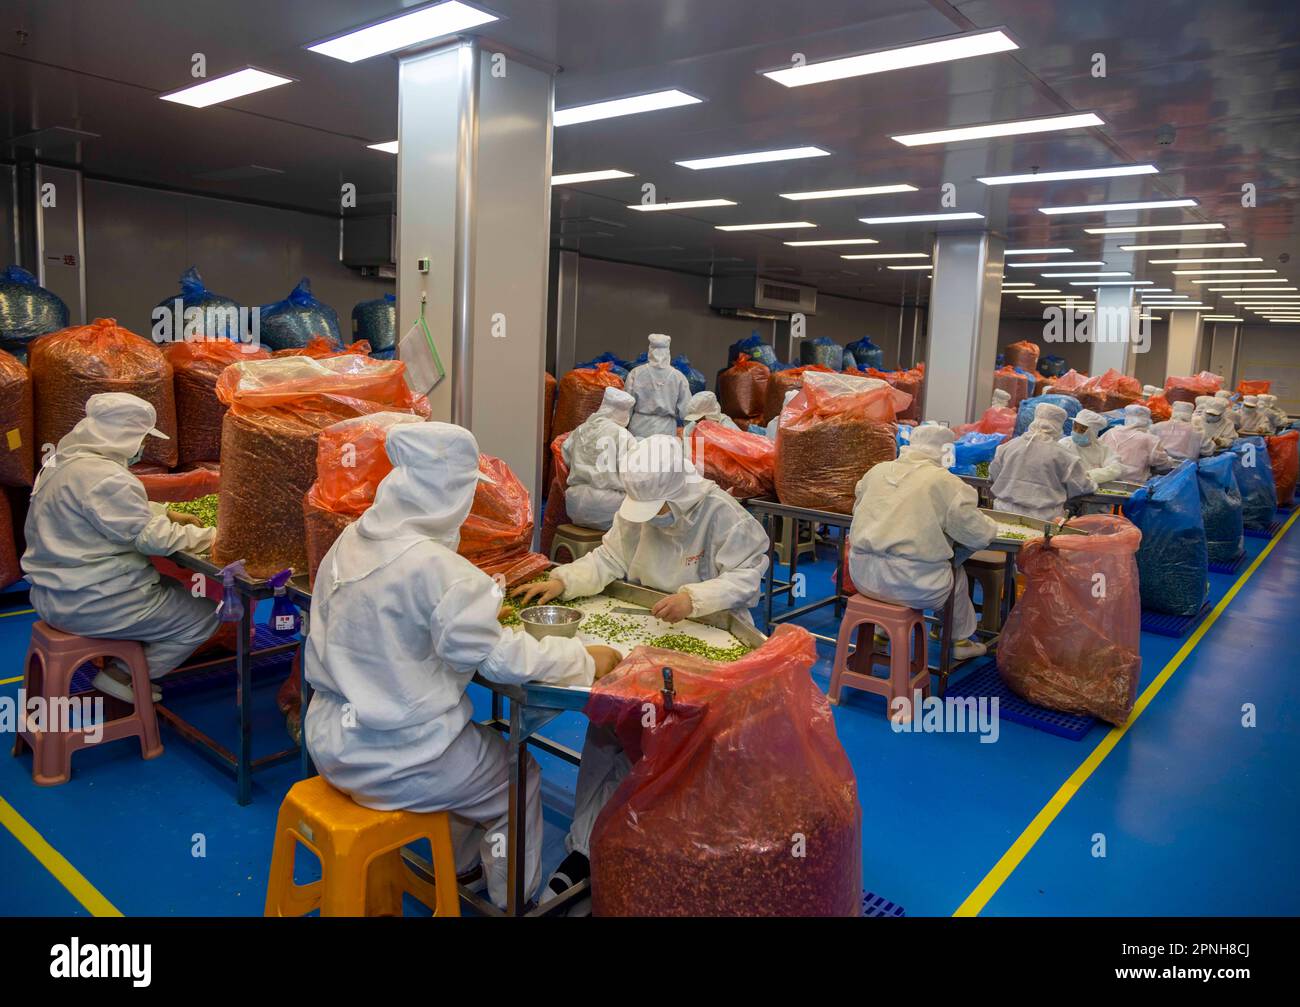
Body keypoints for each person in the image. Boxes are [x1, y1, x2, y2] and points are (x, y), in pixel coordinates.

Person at [303, 422, 622, 910]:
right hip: (396, 758)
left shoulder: (351, 540)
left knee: (471, 751)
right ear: (451, 494)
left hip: (330, 739)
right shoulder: (440, 572)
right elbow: (501, 658)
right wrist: (581, 659)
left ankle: (463, 865)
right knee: (519, 774)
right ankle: (512, 900)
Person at [513, 434, 769, 907]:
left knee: (681, 749)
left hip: (708, 637)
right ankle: (586, 850)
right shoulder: (637, 513)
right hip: (644, 631)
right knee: (609, 728)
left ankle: (672, 851)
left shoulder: (721, 516)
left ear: (679, 493)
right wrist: (562, 579)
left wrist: (696, 597)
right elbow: (609, 558)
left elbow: (747, 575)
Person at [22, 393, 218, 704]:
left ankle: (127, 668)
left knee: (167, 588)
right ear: (126, 436)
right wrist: (214, 537)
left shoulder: (62, 465)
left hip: (52, 594)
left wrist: (164, 511)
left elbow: (107, 512)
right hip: (95, 602)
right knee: (205, 615)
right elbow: (153, 539)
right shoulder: (106, 477)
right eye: (141, 439)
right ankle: (123, 675)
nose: (142, 448)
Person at [848, 424, 996, 662]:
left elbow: (859, 512)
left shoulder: (876, 472)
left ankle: (882, 634)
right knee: (956, 575)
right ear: (946, 450)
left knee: (914, 566)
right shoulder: (947, 483)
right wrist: (991, 526)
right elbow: (978, 535)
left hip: (863, 577)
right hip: (915, 586)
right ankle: (960, 640)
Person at [988, 402, 1095, 521]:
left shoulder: (1007, 447)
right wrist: (1093, 482)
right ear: (1059, 426)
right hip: (1043, 519)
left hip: (1004, 513)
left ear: (1034, 420)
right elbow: (1082, 486)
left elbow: (994, 474)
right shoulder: (1064, 455)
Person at [561, 386, 638, 530]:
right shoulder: (623, 435)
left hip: (574, 504)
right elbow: (633, 472)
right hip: (607, 507)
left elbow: (565, 455)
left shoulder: (581, 429)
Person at [624, 333, 691, 437]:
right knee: (663, 453)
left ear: (650, 350)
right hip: (666, 430)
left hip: (639, 428)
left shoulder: (636, 373)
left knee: (638, 453)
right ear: (668, 352)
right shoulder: (678, 377)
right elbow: (687, 411)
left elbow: (626, 406)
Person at [1101, 403, 1176, 482]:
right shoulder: (1149, 439)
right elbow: (1162, 463)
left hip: (1105, 479)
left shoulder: (1110, 432)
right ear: (1147, 421)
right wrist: (1170, 461)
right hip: (1132, 483)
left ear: (1126, 419)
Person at [1059, 408, 1124, 486]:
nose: (1076, 431)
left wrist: (1089, 475)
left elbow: (1115, 469)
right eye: (1075, 427)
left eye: (1082, 429)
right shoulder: (1064, 444)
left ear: (1092, 432)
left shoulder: (1102, 449)